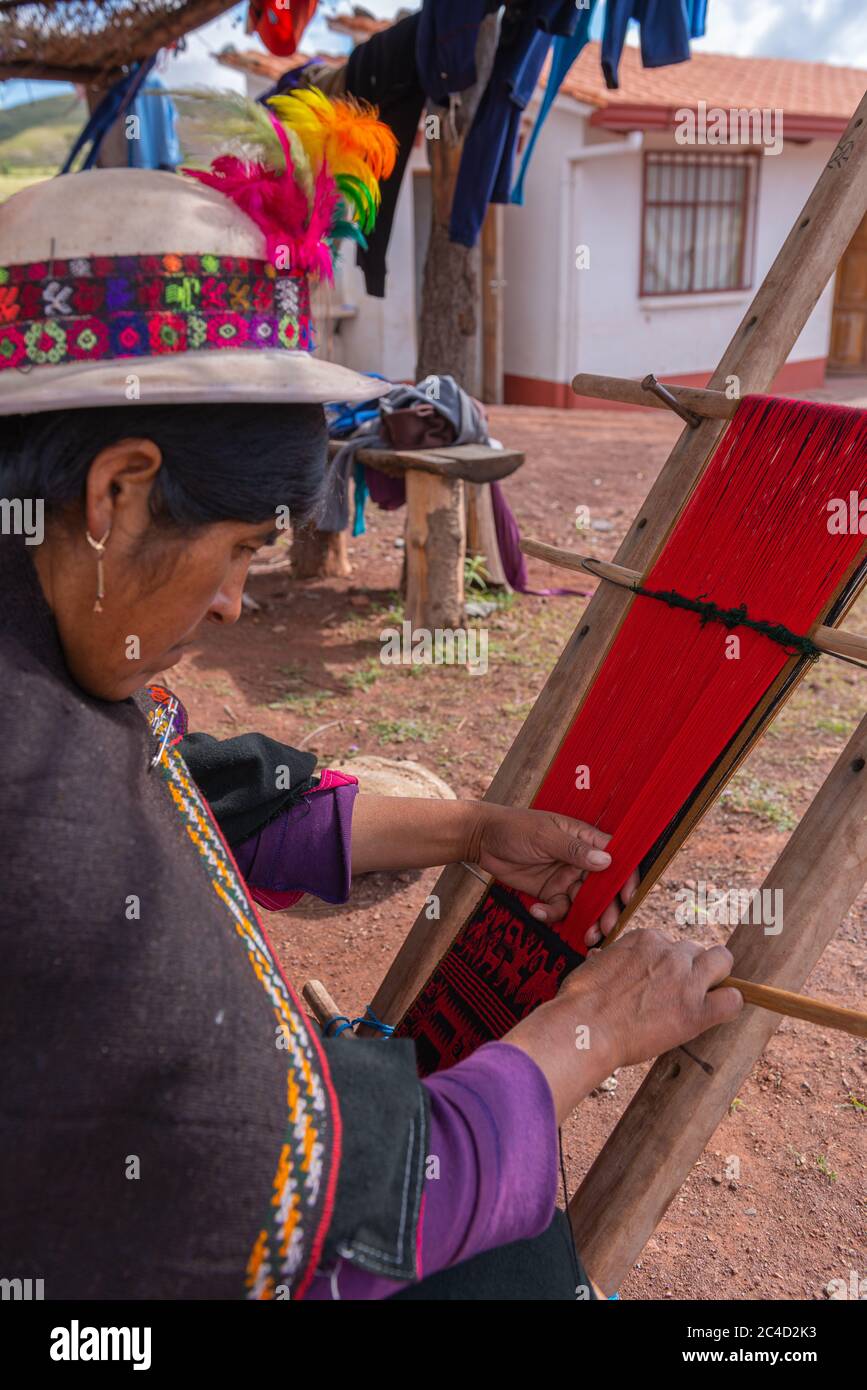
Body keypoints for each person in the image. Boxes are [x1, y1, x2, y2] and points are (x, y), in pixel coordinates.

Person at [0, 103, 742, 1302]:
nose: (241, 603)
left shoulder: (38, 620)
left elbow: (209, 790)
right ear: (118, 491)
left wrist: (468, 828)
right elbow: (316, 1214)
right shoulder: (45, 826)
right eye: (242, 550)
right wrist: (595, 1027)